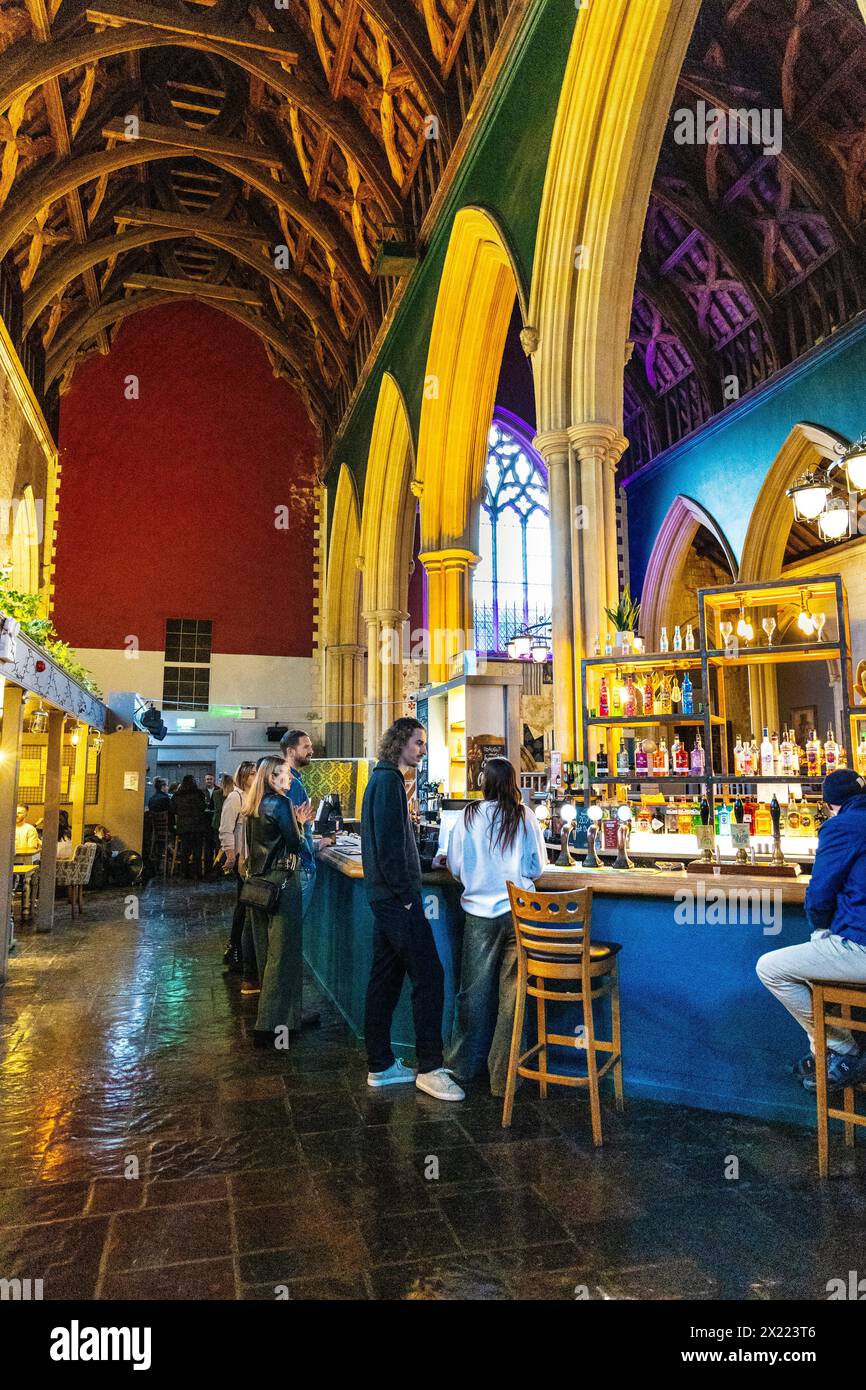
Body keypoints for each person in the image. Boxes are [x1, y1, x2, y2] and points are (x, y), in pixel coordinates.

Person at [361, 717, 464, 1101]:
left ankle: (381, 1064)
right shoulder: (388, 783)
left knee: (385, 978)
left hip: (385, 896)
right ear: (401, 742)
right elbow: (388, 847)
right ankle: (431, 1067)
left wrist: (423, 865)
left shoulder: (383, 779)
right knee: (430, 976)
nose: (422, 750)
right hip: (396, 900)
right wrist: (407, 894)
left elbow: (394, 844)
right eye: (418, 743)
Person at [757, 768, 866, 1093]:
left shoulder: (841, 826)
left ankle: (844, 1050)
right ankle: (824, 1052)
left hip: (861, 947)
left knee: (771, 968)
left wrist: (819, 928)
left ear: (830, 804)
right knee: (811, 969)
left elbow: (819, 893)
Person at [445, 758, 548, 1097]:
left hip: (478, 913)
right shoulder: (524, 816)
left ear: (483, 782)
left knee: (473, 994)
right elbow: (537, 869)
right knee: (513, 998)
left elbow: (456, 866)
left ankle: (463, 1067)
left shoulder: (468, 816)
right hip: (520, 913)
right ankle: (505, 1079)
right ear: (512, 782)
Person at [243, 755, 314, 1047]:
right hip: (283, 881)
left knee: (266, 951)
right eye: (284, 774)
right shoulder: (281, 804)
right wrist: (301, 823)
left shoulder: (254, 805)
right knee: (284, 953)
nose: (290, 779)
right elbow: (296, 844)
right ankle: (274, 1023)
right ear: (272, 778)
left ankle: (285, 1015)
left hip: (258, 883)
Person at [220, 762, 257, 989]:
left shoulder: (254, 797)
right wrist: (230, 855)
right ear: (243, 776)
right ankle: (235, 951)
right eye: (252, 773)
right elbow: (226, 828)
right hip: (242, 859)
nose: (256, 776)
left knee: (244, 905)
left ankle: (238, 951)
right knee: (243, 906)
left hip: (251, 858)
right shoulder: (235, 798)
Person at [170, 775, 207, 879]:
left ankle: (184, 872)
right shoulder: (199, 793)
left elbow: (172, 809)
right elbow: (203, 807)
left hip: (184, 826)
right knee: (197, 850)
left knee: (185, 850)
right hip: (197, 826)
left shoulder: (178, 795)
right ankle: (197, 873)